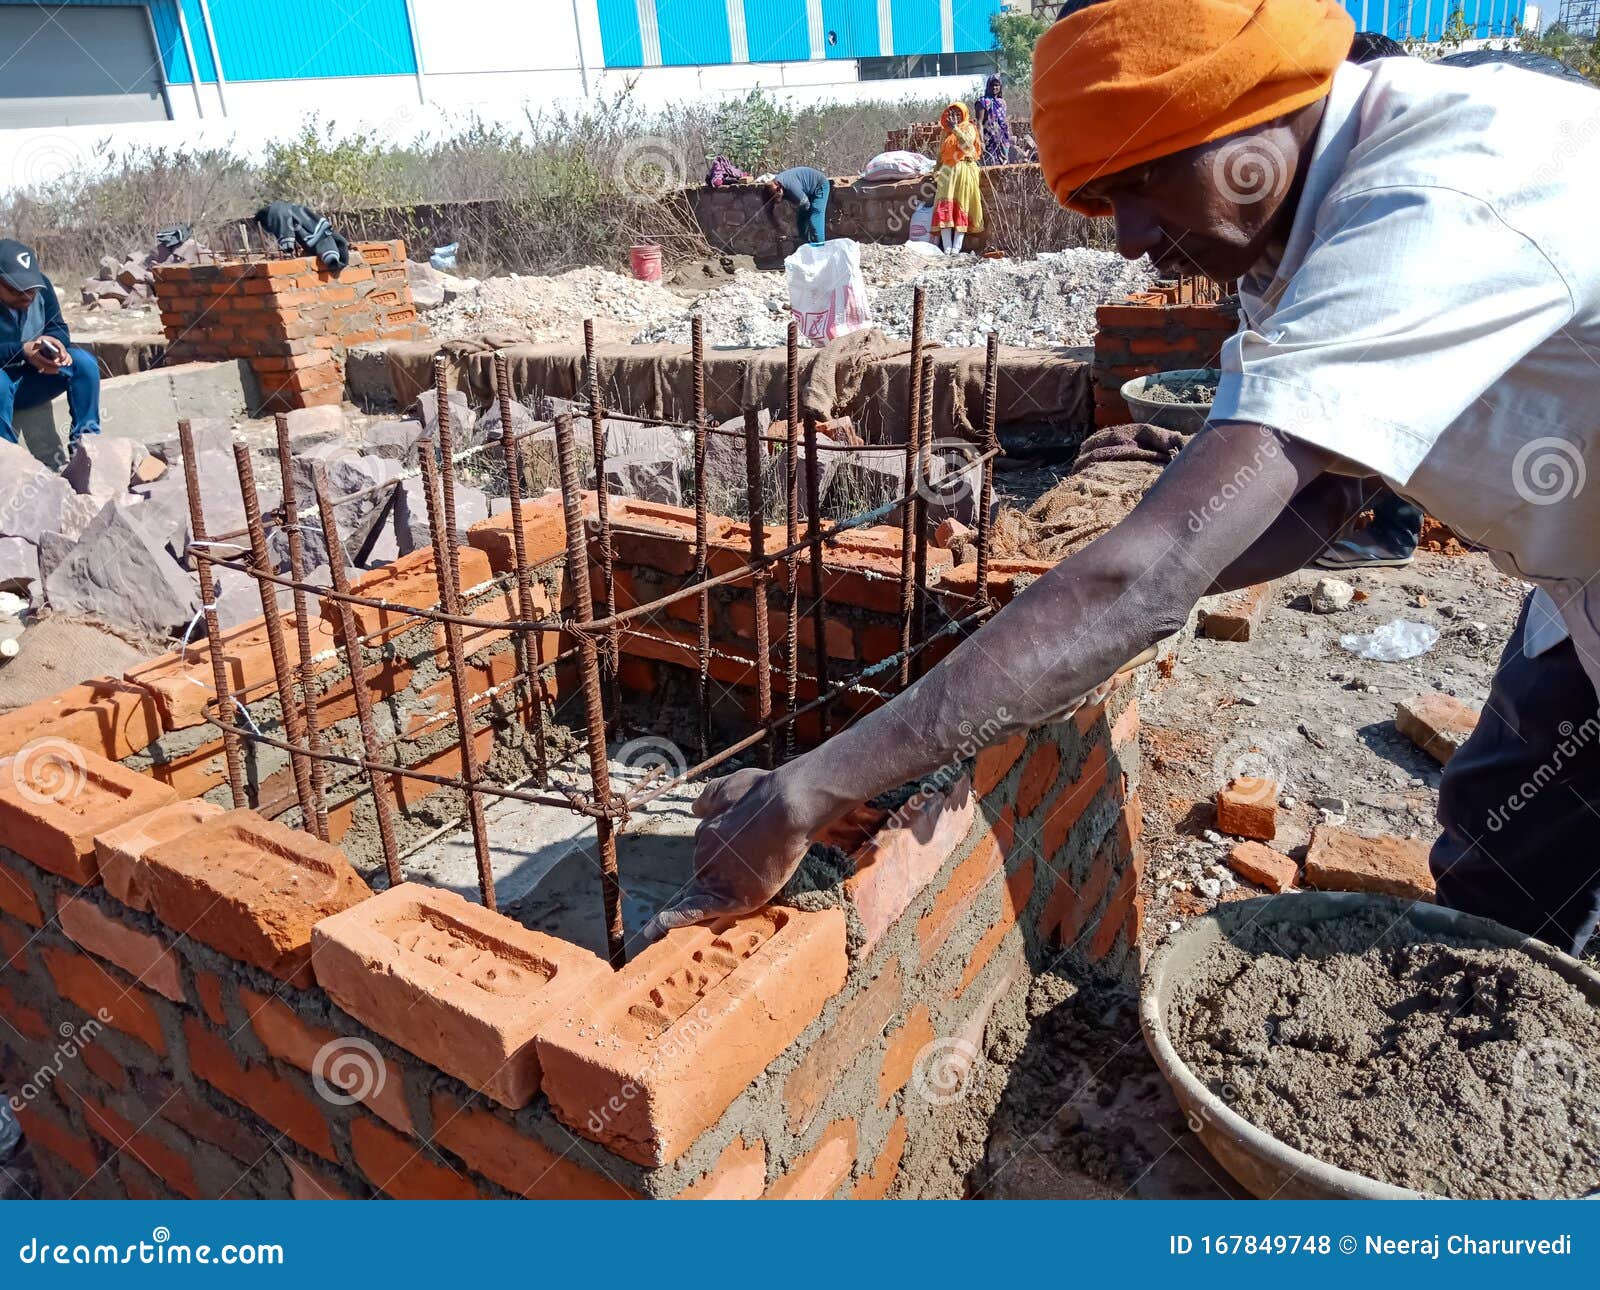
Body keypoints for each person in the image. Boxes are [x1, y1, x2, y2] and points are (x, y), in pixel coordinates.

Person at [645, 0, 1600, 960]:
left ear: (1254, 105)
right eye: (1106, 200)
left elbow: (1150, 574)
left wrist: (805, 792)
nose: (1131, 237)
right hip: (1577, 574)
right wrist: (1050, 634)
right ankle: (1489, 997)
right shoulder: (1301, 212)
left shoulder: (1431, 200)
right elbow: (1325, 498)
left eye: (1145, 181)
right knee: (1505, 832)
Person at [0, 239, 99, 457]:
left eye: (32, 289)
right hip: (2, 385)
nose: (27, 296)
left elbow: (58, 328)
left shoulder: (42, 289)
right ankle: (7, 461)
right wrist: (22, 350)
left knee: (84, 363)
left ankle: (87, 450)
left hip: (30, 382)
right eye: (17, 290)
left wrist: (54, 342)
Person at [932, 102, 984, 255]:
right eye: (951, 112)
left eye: (957, 113)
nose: (954, 115)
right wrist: (936, 170)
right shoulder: (944, 132)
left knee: (963, 206)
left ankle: (956, 248)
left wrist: (955, 129)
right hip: (947, 173)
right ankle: (947, 248)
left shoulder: (969, 128)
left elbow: (967, 146)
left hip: (964, 171)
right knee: (945, 206)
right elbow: (941, 154)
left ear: (963, 114)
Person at [766, 167, 831, 247]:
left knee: (814, 218)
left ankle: (820, 248)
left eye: (778, 197)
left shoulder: (791, 188)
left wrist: (807, 216)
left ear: (779, 190)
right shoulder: (775, 186)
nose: (778, 201)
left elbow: (806, 204)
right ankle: (804, 246)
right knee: (801, 221)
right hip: (806, 191)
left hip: (819, 185)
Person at [974, 75, 1012, 166]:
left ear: (1000, 86)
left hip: (1002, 139)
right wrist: (981, 141)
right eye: (992, 85)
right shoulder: (982, 102)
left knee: (1004, 166)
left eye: (997, 85)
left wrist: (1008, 137)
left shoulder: (1002, 102)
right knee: (991, 164)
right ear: (988, 86)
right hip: (989, 139)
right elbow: (979, 122)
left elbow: (1003, 122)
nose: (994, 87)